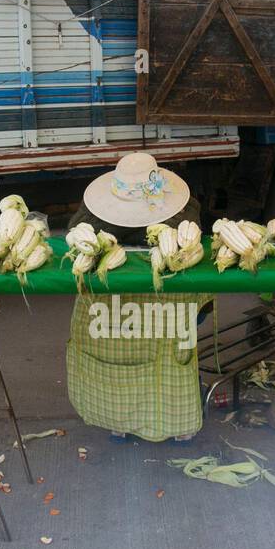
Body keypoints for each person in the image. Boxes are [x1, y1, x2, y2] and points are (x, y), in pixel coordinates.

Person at [65, 152, 211, 442]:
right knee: (183, 328)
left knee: (114, 352)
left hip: (110, 315)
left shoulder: (90, 220)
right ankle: (178, 425)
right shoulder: (185, 213)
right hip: (168, 314)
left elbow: (74, 233)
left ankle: (117, 421)